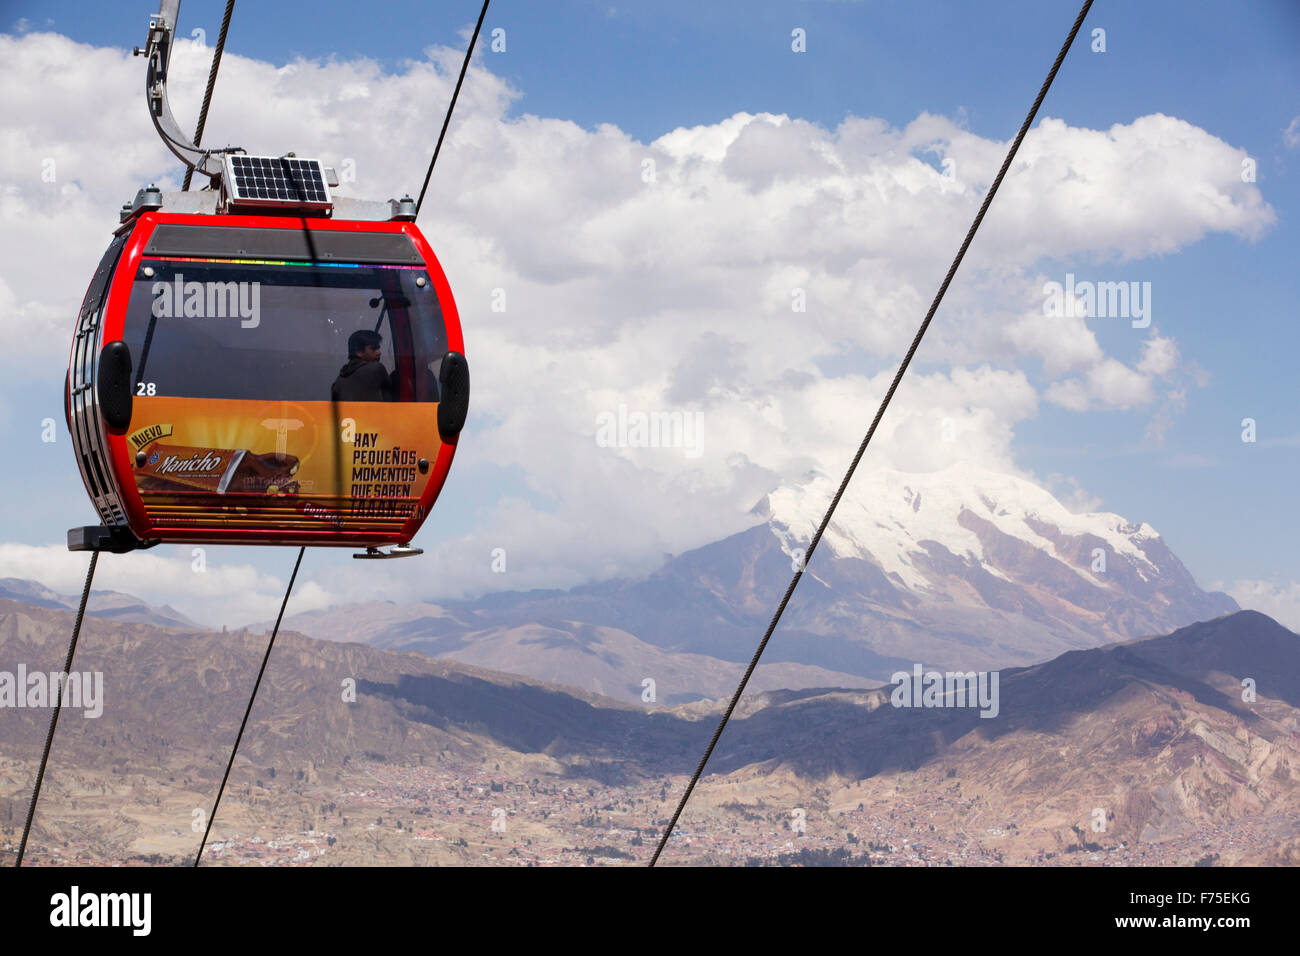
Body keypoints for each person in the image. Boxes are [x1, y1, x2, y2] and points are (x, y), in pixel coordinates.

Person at [331, 329, 394, 402]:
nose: (379, 352)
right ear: (359, 351)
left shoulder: (338, 382)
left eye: (378, 348)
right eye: (373, 348)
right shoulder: (376, 369)